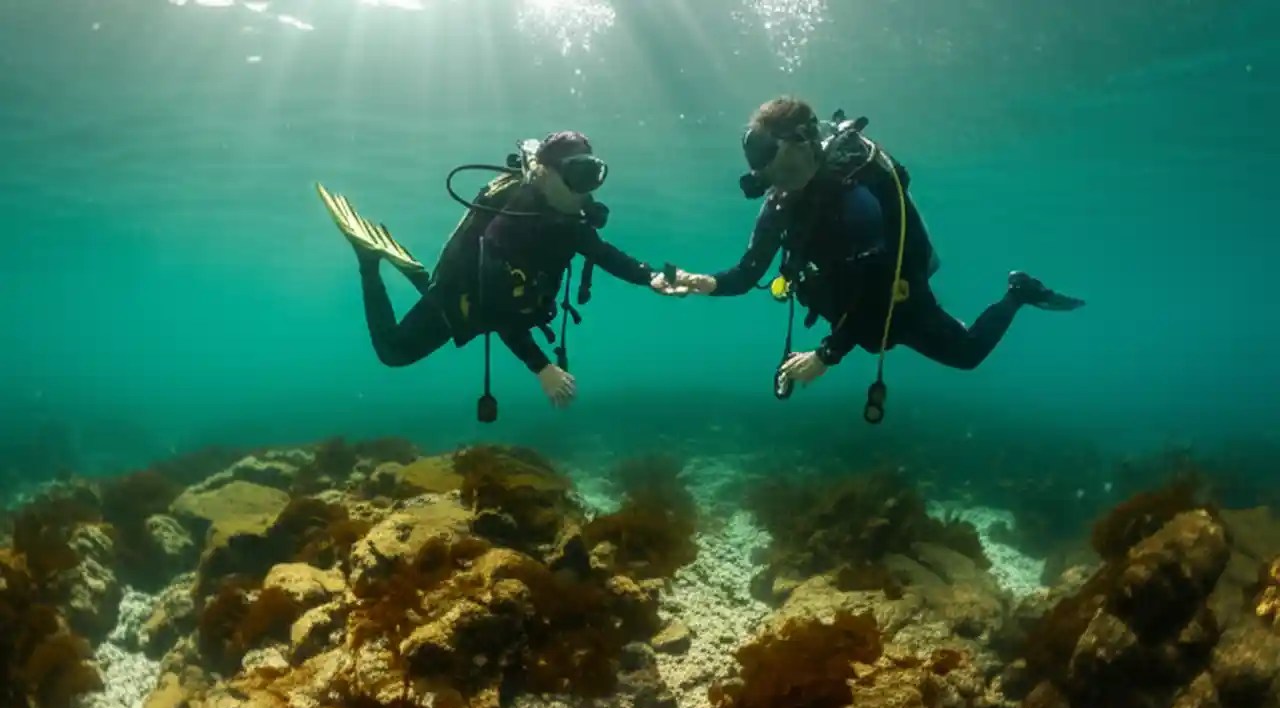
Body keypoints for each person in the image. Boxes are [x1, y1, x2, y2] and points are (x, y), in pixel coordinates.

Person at [672, 97, 1084, 421]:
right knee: (887, 338)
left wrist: (828, 354)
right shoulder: (781, 202)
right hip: (852, 315)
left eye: (778, 161)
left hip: (899, 302)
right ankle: (1017, 293)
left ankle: (1018, 292)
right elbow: (748, 273)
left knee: (967, 355)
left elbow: (881, 280)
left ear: (805, 140)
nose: (773, 180)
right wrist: (704, 282)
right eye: (764, 170)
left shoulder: (857, 194)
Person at [317, 131, 687, 417]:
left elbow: (603, 253)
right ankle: (369, 263)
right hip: (466, 299)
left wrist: (651, 277)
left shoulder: (567, 218)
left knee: (460, 299)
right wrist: (541, 368)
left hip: (488, 295)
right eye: (577, 176)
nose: (585, 191)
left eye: (594, 175)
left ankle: (421, 278)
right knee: (393, 354)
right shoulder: (511, 225)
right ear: (543, 174)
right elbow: (496, 310)